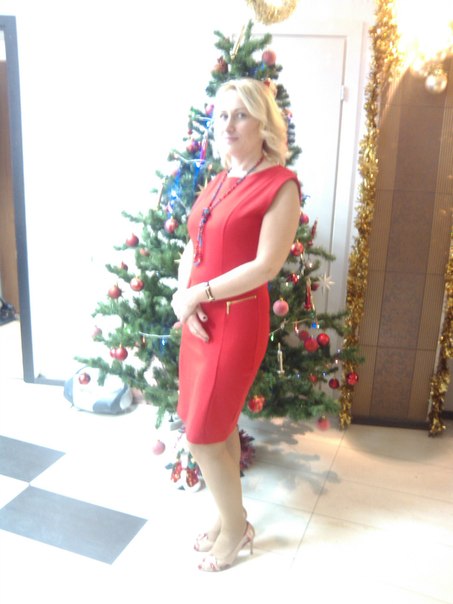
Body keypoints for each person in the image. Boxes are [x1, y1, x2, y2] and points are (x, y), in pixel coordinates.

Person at [171, 77, 301, 572]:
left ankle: (235, 529)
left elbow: (265, 266)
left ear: (263, 123)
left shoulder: (280, 186)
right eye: (222, 115)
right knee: (218, 427)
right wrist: (184, 299)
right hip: (200, 320)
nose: (228, 125)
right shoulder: (222, 178)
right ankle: (231, 518)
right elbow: (194, 242)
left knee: (201, 436)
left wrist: (198, 296)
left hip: (236, 322)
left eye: (240, 114)